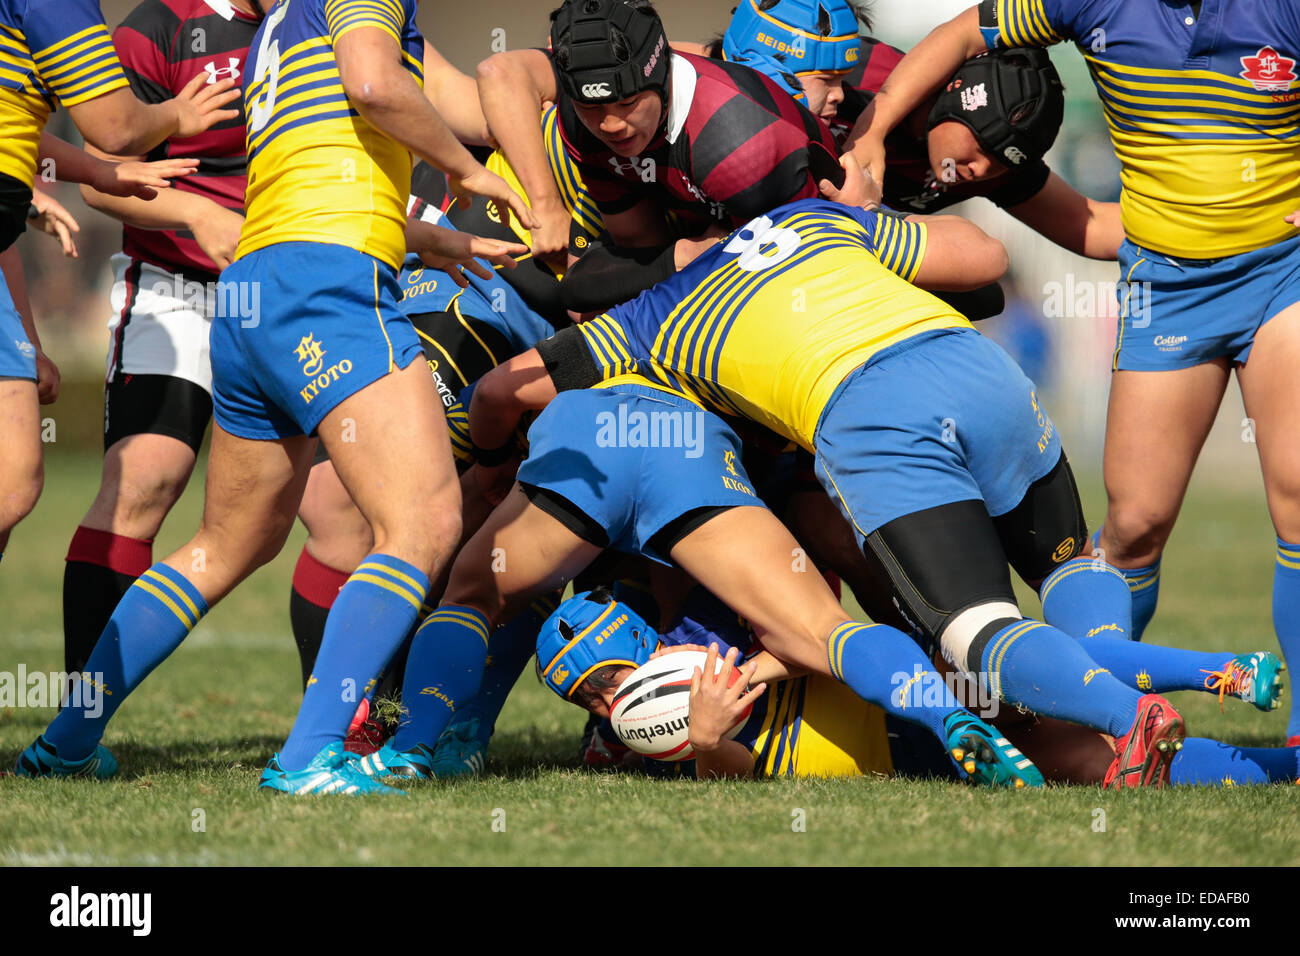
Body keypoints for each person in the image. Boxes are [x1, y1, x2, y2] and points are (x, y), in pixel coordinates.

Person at [470, 195, 1202, 787]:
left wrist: (488, 469)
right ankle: (1224, 699)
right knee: (1067, 573)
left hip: (868, 413)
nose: (609, 700)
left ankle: (1129, 707)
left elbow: (504, 389)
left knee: (980, 638)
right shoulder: (807, 217)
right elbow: (987, 257)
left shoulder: (649, 323)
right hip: (973, 365)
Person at [15, 0, 533, 795]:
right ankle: (309, 757)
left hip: (254, 289)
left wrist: (441, 236)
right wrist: (468, 171)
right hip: (330, 288)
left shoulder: (281, 25)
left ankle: (68, 737)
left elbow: (323, 165)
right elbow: (374, 85)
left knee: (228, 544)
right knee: (423, 522)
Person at [842, 0, 1300, 747]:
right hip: (1167, 286)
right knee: (1133, 525)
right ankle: (1112, 718)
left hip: (1284, 273)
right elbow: (964, 32)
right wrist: (876, 129)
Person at [541, 589, 1300, 787]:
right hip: (908, 751)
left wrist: (757, 670)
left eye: (605, 684)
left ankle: (1211, 678)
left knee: (1057, 692)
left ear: (637, 647)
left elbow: (818, 633)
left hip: (908, 697)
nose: (608, 710)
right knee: (1088, 757)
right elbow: (740, 773)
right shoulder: (664, 734)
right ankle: (1270, 750)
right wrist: (707, 746)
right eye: (590, 705)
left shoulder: (704, 645)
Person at [61, 0, 270, 679]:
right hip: (174, 289)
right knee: (145, 481)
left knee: (341, 512)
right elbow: (100, 178)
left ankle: (353, 730)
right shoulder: (155, 30)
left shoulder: (319, 21)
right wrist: (195, 212)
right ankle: (79, 718)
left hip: (289, 291)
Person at [0, 0, 239, 564]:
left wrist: (94, 173)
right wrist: (176, 117)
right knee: (13, 479)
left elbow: (24, 138)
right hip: (170, 285)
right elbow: (116, 124)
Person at [476, 0, 844, 313]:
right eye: (591, 106)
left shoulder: (741, 146)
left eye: (628, 102)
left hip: (809, 249)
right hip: (695, 229)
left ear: (662, 75)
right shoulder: (576, 119)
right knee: (581, 296)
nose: (610, 125)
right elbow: (637, 244)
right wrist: (683, 257)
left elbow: (791, 282)